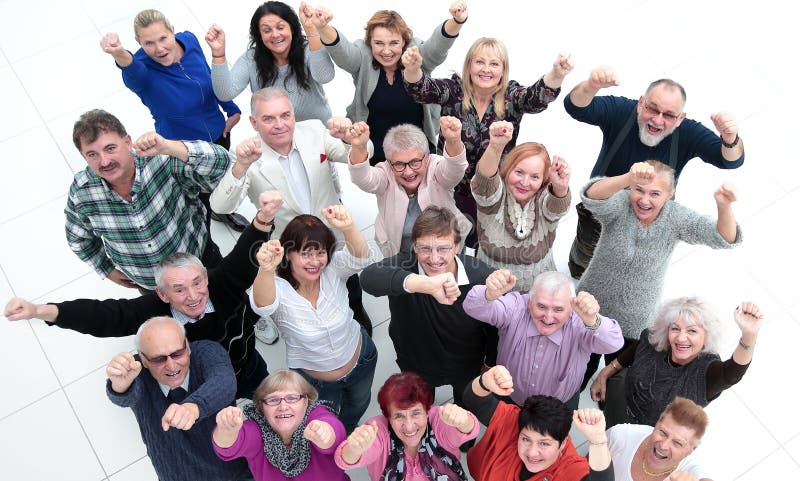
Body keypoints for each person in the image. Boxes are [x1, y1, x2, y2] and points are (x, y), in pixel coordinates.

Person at [5, 195, 281, 398]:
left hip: (246, 365)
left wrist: (264, 217)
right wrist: (41, 311)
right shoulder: (152, 312)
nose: (193, 296)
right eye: (179, 289)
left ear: (206, 278)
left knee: (272, 398)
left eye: (197, 283)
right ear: (161, 294)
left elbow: (244, 255)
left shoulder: (221, 284)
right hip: (201, 385)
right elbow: (105, 316)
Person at [209, 86, 373, 338]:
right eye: (268, 118)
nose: (279, 124)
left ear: (293, 115)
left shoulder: (315, 131)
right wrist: (241, 166)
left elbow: (362, 154)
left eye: (285, 115)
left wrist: (352, 140)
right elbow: (220, 206)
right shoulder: (247, 156)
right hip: (291, 247)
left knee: (348, 281)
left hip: (332, 235)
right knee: (305, 293)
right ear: (253, 122)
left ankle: (356, 310)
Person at [564, 67, 745, 278]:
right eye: (652, 109)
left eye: (668, 115)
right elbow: (576, 107)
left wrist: (730, 138)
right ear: (641, 104)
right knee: (582, 264)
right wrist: (591, 86)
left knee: (629, 274)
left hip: (649, 223)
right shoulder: (623, 111)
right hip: (601, 212)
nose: (658, 120)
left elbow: (729, 160)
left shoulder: (688, 132)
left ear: (680, 118)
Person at [576, 160, 742, 387]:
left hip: (636, 317)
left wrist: (724, 206)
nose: (644, 200)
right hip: (590, 302)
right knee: (579, 367)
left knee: (619, 379)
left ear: (670, 194)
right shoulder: (621, 202)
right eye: (639, 190)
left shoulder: (676, 218)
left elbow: (724, 238)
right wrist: (627, 178)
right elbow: (591, 197)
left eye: (655, 193)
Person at [403, 37, 572, 246]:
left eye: (494, 64)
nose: (486, 69)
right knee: (444, 244)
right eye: (479, 62)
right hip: (449, 189)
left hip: (492, 193)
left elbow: (536, 99)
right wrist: (412, 68)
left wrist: (556, 75)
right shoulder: (454, 90)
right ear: (469, 65)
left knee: (485, 248)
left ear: (503, 70)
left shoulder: (511, 95)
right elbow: (421, 89)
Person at [99, 9, 247, 231]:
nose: (159, 49)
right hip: (182, 148)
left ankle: (223, 210)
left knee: (224, 177)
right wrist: (118, 52)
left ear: (172, 32)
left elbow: (210, 76)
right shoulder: (142, 70)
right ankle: (205, 229)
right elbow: (129, 66)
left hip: (218, 132)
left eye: (163, 38)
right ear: (139, 44)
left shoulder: (189, 40)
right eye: (148, 43)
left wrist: (230, 107)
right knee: (199, 195)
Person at [66, 109, 230, 291]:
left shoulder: (161, 160)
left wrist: (170, 146)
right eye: (92, 154)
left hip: (201, 260)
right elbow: (78, 239)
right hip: (153, 287)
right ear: (83, 156)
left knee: (228, 301)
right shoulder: (82, 192)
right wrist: (106, 269)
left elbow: (224, 167)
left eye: (110, 148)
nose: (104, 161)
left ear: (128, 142)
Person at [250, 206, 379, 433]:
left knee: (358, 405)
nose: (315, 261)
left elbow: (362, 257)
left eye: (320, 252)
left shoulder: (333, 269)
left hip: (361, 360)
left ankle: (348, 429)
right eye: (305, 253)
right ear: (288, 254)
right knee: (322, 423)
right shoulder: (277, 287)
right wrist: (266, 269)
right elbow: (262, 305)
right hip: (313, 381)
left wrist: (348, 227)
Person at [360, 206, 496, 409]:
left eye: (443, 248)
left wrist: (491, 362)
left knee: (464, 414)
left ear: (457, 246)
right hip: (416, 362)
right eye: (425, 248)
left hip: (466, 363)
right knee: (420, 412)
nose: (433, 258)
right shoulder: (404, 264)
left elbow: (495, 326)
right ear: (414, 246)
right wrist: (426, 285)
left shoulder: (479, 275)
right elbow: (368, 278)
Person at [309, 2, 468, 163]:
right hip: (377, 158)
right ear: (369, 43)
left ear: (404, 42)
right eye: (379, 43)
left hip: (419, 157)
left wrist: (456, 21)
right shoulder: (363, 56)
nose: (386, 51)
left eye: (393, 43)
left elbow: (437, 47)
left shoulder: (415, 54)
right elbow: (344, 53)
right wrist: (322, 28)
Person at [105, 317, 250, 481]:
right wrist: (119, 383)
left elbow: (225, 383)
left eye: (177, 353)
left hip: (238, 473)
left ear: (187, 347)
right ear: (143, 360)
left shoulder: (206, 351)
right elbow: (124, 397)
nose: (171, 365)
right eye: (159, 359)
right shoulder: (136, 371)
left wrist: (193, 407)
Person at [463, 270, 623, 410]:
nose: (548, 317)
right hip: (507, 396)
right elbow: (472, 306)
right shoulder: (517, 306)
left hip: (557, 407)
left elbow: (614, 343)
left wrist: (593, 320)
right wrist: (488, 294)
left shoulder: (580, 321)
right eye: (541, 307)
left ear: (571, 307)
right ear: (530, 300)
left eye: (558, 309)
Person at [591, 298, 763, 427]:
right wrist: (606, 373)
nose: (681, 337)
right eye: (675, 328)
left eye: (692, 331)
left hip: (649, 435)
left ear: (706, 336)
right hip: (619, 405)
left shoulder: (707, 373)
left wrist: (749, 335)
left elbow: (732, 373)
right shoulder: (656, 339)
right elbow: (636, 350)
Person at [463, 365, 614, 481]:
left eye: (544, 443)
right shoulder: (513, 420)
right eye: (526, 439)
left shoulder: (568, 466)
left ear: (562, 444)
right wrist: (484, 381)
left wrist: (598, 441)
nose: (532, 452)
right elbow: (475, 400)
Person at [348, 116, 471, 256]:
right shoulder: (385, 172)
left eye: (414, 162)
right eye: (399, 164)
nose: (408, 171)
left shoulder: (435, 166)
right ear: (389, 162)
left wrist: (453, 140)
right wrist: (359, 147)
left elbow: (454, 170)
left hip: (446, 254)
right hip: (403, 258)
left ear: (427, 157)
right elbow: (363, 179)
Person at [469, 121, 571, 291]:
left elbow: (556, 208)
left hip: (537, 293)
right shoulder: (494, 195)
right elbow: (484, 183)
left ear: (544, 180)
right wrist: (496, 145)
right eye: (519, 172)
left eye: (535, 177)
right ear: (508, 169)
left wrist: (560, 187)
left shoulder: (546, 196)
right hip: (491, 290)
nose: (525, 182)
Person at [335, 372, 479, 481]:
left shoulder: (437, 419)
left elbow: (468, 430)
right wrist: (354, 449)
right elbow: (346, 459)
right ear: (388, 416)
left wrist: (463, 421)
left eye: (416, 413)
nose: (409, 426)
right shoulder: (378, 429)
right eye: (399, 416)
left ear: (427, 410)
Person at [206, 1, 335, 122]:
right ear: (259, 35)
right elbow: (225, 93)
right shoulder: (251, 58)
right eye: (267, 30)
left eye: (280, 27)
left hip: (318, 131)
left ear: (292, 28)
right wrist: (218, 54)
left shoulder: (309, 48)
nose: (275, 34)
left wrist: (312, 31)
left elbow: (325, 76)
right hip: (276, 136)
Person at [213, 370, 348, 481]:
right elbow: (229, 446)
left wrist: (325, 435)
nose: (283, 406)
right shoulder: (257, 428)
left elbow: (334, 431)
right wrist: (226, 429)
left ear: (306, 401)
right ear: (262, 406)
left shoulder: (315, 415)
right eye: (273, 400)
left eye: (292, 398)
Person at [607, 397, 714, 481]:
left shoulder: (692, 468)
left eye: (677, 443)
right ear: (657, 423)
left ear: (692, 449)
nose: (663, 446)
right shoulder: (620, 435)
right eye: (663, 433)